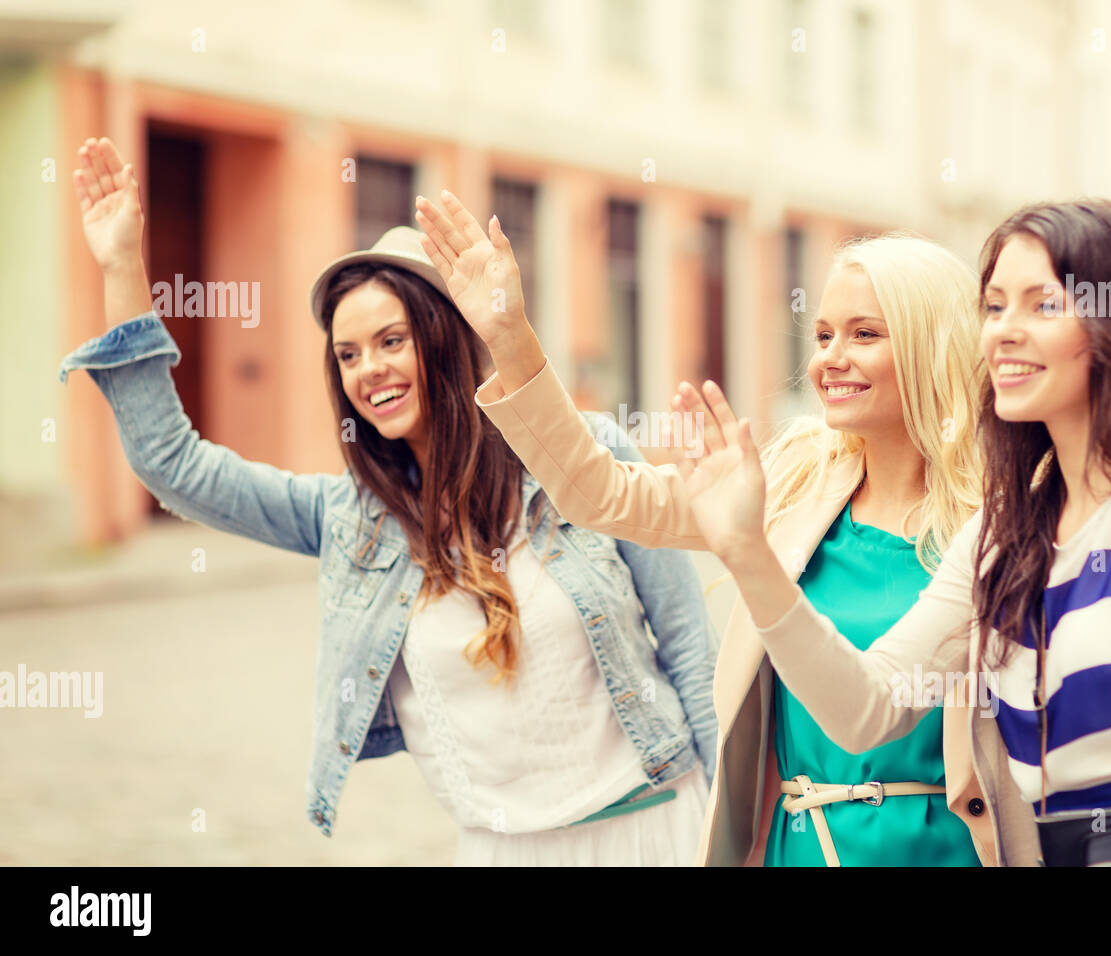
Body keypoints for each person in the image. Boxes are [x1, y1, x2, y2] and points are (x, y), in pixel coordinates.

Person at [58, 137, 718, 866]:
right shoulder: (348, 518)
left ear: (440, 339)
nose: (369, 369)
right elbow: (171, 464)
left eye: (391, 340)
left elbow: (691, 648)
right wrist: (123, 264)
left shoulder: (584, 459)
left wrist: (738, 828)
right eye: (347, 355)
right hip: (501, 850)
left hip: (657, 828)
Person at [667, 199, 1111, 866]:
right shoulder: (1003, 533)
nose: (1004, 331)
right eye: (994, 307)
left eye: (1041, 305)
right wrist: (747, 552)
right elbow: (866, 707)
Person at [415, 190, 992, 866]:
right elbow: (600, 494)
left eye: (865, 334)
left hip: (946, 850)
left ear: (931, 346)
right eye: (824, 335)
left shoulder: (1000, 518)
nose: (831, 359)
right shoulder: (795, 478)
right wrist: (510, 338)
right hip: (800, 846)